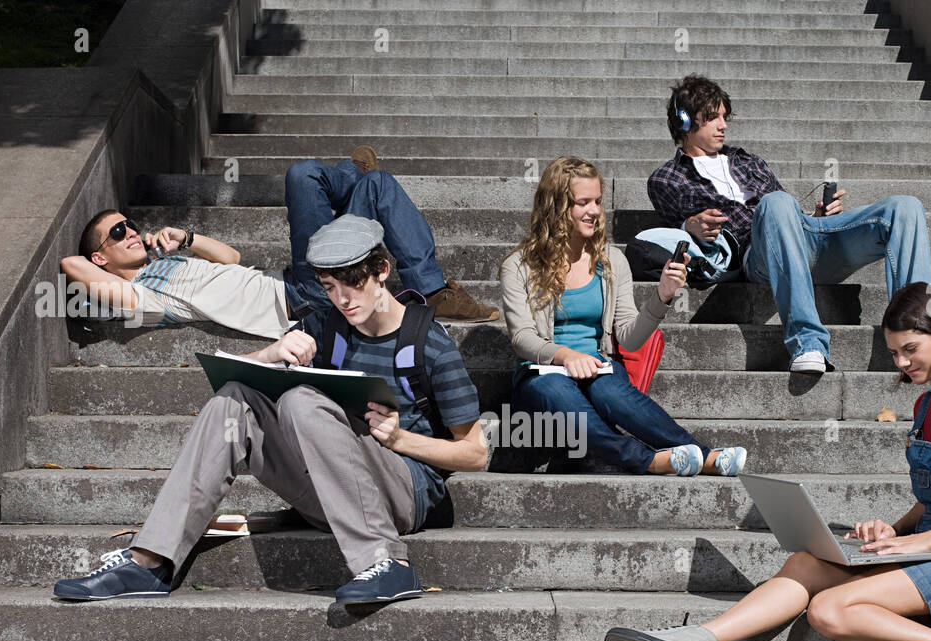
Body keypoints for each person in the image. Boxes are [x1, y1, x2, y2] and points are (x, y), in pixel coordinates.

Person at [605, 282, 931, 641]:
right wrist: (896, 529)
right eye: (893, 353)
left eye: (910, 349)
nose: (902, 363)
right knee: (804, 563)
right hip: (927, 546)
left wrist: (928, 541)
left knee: (828, 610)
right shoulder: (928, 405)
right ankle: (700, 639)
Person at [53, 215, 486, 605]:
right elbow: (258, 377)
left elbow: (475, 454)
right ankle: (149, 563)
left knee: (301, 401)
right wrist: (272, 352)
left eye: (351, 285)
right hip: (327, 489)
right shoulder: (327, 323)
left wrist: (399, 438)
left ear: (381, 271)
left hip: (403, 494)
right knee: (234, 398)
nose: (343, 301)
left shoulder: (428, 342)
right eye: (330, 288)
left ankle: (388, 564)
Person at [643, 74, 931, 374]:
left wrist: (818, 219)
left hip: (802, 239)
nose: (723, 125)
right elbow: (676, 220)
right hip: (756, 257)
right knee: (776, 203)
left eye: (724, 116)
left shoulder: (749, 161)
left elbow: (785, 216)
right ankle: (808, 343)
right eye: (712, 118)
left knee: (905, 207)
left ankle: (925, 338)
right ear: (685, 123)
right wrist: (687, 226)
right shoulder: (668, 178)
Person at [61, 146, 497, 334]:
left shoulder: (167, 264)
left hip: (298, 279)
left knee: (362, 181)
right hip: (308, 297)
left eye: (131, 224)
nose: (132, 232)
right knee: (311, 175)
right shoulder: (141, 296)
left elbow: (232, 256)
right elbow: (69, 265)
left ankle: (433, 288)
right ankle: (349, 176)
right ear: (101, 257)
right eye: (119, 233)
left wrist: (186, 237)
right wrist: (114, 268)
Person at [500, 156, 747, 477]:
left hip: (597, 369)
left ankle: (702, 455)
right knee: (554, 389)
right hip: (541, 377)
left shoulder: (611, 261)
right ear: (556, 206)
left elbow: (629, 337)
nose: (594, 211)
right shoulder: (520, 265)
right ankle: (648, 460)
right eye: (583, 202)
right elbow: (521, 337)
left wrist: (662, 296)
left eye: (598, 202)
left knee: (609, 389)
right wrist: (565, 356)